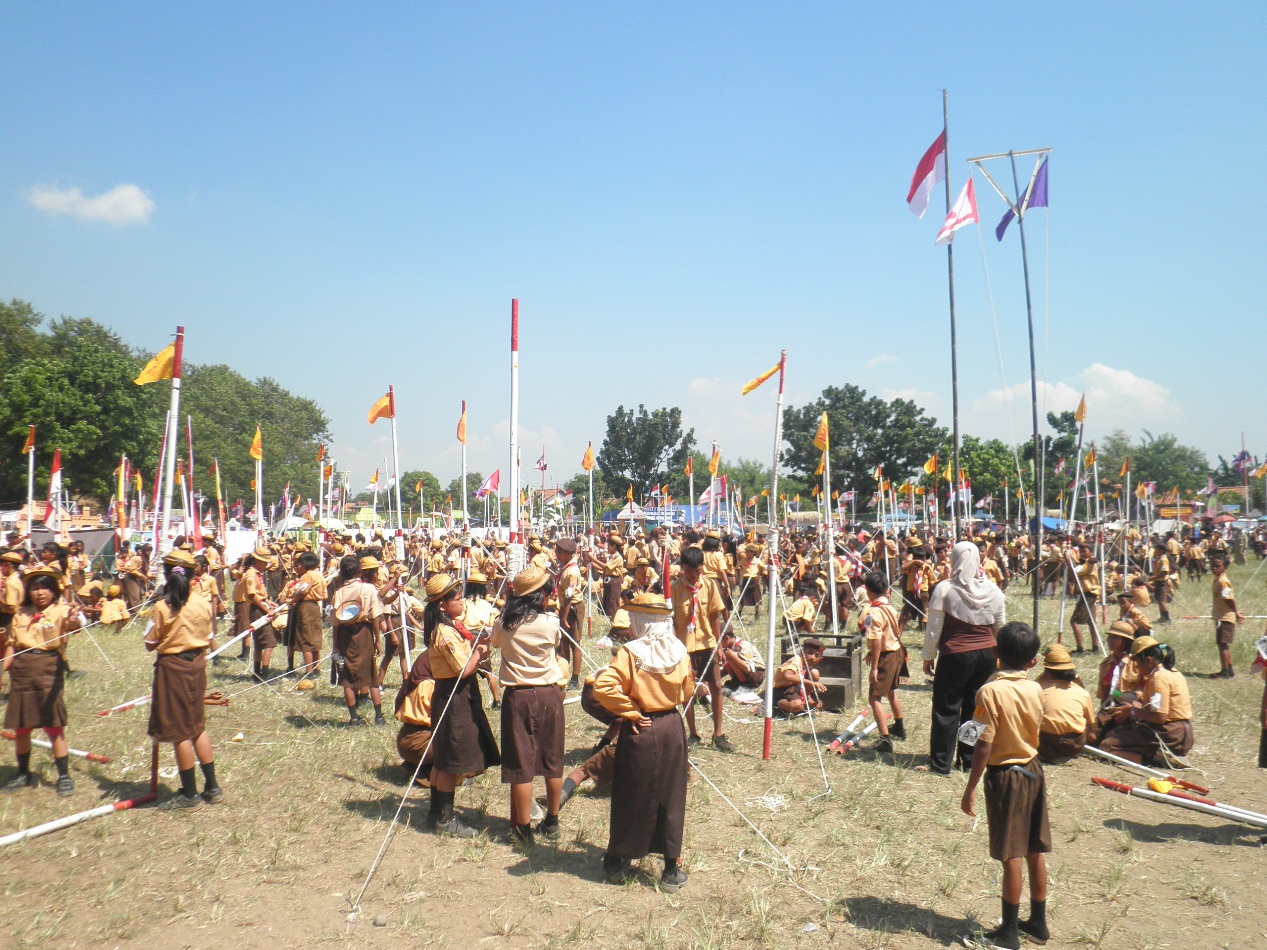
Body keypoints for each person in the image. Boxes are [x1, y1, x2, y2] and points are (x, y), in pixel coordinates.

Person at [593, 592, 692, 892]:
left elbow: (604, 686)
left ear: (641, 620)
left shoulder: (630, 653)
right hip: (673, 726)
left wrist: (631, 711)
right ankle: (671, 869)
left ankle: (618, 860)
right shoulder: (680, 650)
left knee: (632, 793)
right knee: (671, 796)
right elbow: (687, 691)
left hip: (642, 727)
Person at [960, 621, 1050, 950]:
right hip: (1033, 769)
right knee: (1033, 849)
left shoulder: (990, 692)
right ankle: (1038, 922)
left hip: (1006, 775)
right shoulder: (1036, 688)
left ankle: (1009, 933)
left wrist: (970, 787)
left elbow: (984, 744)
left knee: (1011, 854)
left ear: (996, 653)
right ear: (1033, 661)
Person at [492, 566, 566, 844]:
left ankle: (522, 828)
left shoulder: (504, 623)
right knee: (552, 759)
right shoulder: (551, 623)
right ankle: (552, 820)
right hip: (549, 694)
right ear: (539, 596)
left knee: (521, 764)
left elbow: (495, 644)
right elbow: (555, 645)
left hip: (518, 696)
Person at [144, 550, 222, 809]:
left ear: (166, 575)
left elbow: (150, 643)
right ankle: (212, 786)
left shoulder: (162, 607)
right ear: (193, 575)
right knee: (197, 725)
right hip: (197, 665)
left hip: (173, 669)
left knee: (180, 733)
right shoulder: (202, 603)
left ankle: (190, 794)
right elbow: (209, 635)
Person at [921, 541, 1007, 775]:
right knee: (976, 710)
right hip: (986, 656)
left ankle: (941, 764)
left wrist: (929, 656)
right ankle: (968, 759)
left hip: (956, 655)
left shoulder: (945, 589)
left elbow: (934, 628)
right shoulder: (993, 591)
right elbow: (999, 627)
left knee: (946, 709)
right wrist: (999, 657)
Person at [424, 572, 500, 837]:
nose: (463, 602)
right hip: (453, 697)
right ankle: (445, 820)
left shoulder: (451, 625)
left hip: (457, 695)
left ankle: (436, 810)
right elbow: (462, 670)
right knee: (450, 760)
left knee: (444, 756)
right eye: (457, 599)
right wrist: (479, 652)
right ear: (442, 605)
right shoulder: (444, 632)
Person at [2, 566, 84, 796]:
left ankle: (64, 776)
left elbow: (73, 626)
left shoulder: (61, 611)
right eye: (35, 588)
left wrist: (74, 618)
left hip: (48, 668)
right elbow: (11, 645)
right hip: (22, 670)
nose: (40, 593)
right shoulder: (21, 613)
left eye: (45, 588)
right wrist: (2, 671)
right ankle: (23, 772)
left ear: (53, 590)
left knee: (53, 726)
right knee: (22, 726)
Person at [671, 547, 733, 752]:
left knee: (715, 685)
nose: (694, 575)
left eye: (698, 571)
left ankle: (718, 734)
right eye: (690, 572)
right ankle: (693, 733)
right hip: (684, 647)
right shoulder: (674, 589)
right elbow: (671, 620)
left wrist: (719, 645)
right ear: (682, 568)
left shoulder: (709, 586)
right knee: (687, 690)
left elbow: (714, 616)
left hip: (707, 644)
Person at [1098, 637, 1194, 765]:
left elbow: (1160, 717)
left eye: (1137, 663)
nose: (1136, 668)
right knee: (1114, 734)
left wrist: (1132, 711)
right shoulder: (1174, 673)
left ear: (1148, 661)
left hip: (1168, 733)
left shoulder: (1158, 678)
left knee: (1107, 746)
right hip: (1182, 734)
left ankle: (1154, 759)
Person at [330, 555, 388, 725]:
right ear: (358, 571)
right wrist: (377, 639)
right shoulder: (369, 589)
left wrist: (335, 646)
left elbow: (335, 623)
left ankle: (354, 717)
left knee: (347, 678)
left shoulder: (338, 593)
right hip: (364, 632)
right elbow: (375, 617)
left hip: (344, 636)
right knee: (372, 675)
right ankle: (379, 716)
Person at [860, 571, 906, 753]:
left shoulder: (873, 612)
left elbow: (877, 639)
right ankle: (899, 727)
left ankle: (885, 740)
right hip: (896, 652)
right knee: (891, 691)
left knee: (874, 697)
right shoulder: (890, 607)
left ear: (868, 591)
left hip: (886, 655)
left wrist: (874, 667)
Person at [1035, 645, 1095, 763]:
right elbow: (1091, 727)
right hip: (1073, 746)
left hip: (1043, 744)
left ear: (1048, 672)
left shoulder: (1039, 689)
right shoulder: (1082, 693)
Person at [395, 648, 436, 786]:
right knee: (454, 741)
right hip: (421, 741)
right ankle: (424, 775)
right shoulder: (429, 686)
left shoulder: (411, 683)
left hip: (404, 739)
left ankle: (412, 766)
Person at [286, 551, 326, 683]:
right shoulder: (319, 575)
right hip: (315, 607)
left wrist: (292, 601)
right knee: (314, 637)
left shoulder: (308, 576)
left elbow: (302, 591)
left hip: (305, 607)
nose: (298, 567)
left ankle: (309, 671)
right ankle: (317, 667)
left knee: (305, 638)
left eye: (300, 564)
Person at [554, 538, 586, 691]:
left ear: (568, 553)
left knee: (575, 642)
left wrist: (564, 617)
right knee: (564, 642)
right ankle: (564, 672)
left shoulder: (571, 571)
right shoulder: (565, 566)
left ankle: (575, 678)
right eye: (557, 550)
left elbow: (569, 596)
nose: (557, 553)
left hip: (572, 608)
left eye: (560, 551)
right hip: (565, 607)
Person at [1210, 554, 1243, 679]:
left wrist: (1236, 612)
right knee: (1223, 644)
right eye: (1213, 565)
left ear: (1225, 567)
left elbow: (1228, 598)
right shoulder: (1219, 579)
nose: (1214, 568)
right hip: (1221, 616)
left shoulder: (1223, 581)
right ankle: (1229, 669)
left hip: (1225, 618)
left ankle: (1224, 672)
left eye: (1218, 566)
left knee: (1222, 644)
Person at [773, 637, 826, 715]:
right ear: (802, 652)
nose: (812, 657)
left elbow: (802, 685)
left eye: (817, 656)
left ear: (820, 659)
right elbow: (787, 676)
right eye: (810, 653)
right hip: (781, 689)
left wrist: (814, 703)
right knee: (797, 705)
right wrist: (812, 683)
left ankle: (806, 700)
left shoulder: (807, 664)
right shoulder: (796, 661)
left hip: (795, 687)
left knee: (815, 673)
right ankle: (778, 704)